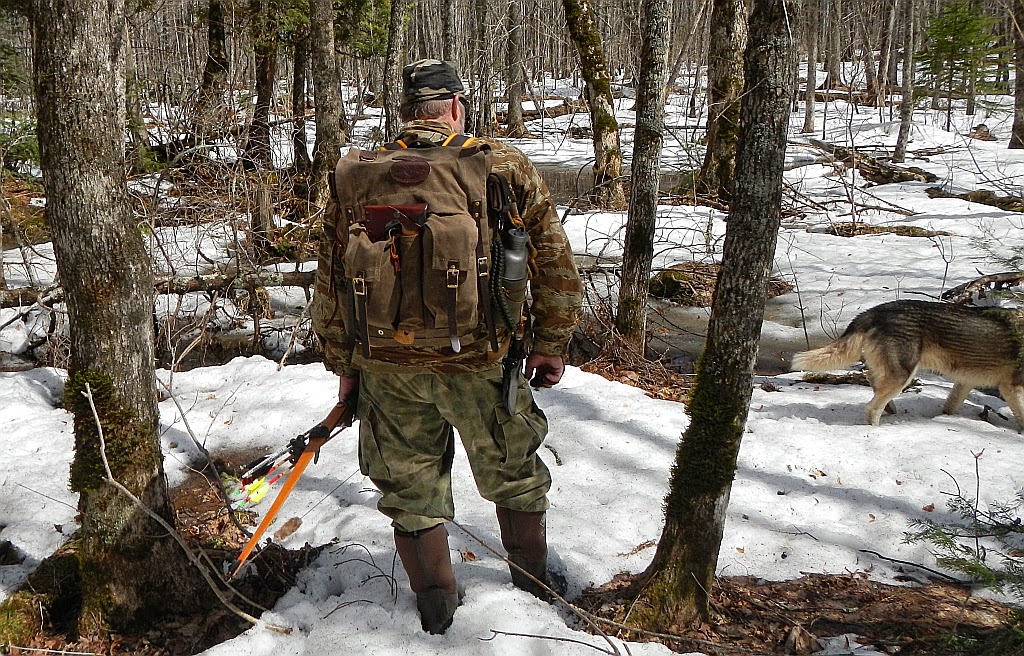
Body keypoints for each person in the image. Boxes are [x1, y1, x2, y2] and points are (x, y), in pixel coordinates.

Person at [310, 58, 583, 635]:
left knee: (409, 490)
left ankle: (435, 610)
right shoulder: (499, 163)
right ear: (457, 107)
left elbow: (332, 278)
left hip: (387, 366)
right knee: (513, 472)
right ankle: (534, 593)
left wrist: (345, 366)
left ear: (405, 113)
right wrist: (551, 342)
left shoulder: (361, 173)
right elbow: (551, 256)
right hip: (482, 361)